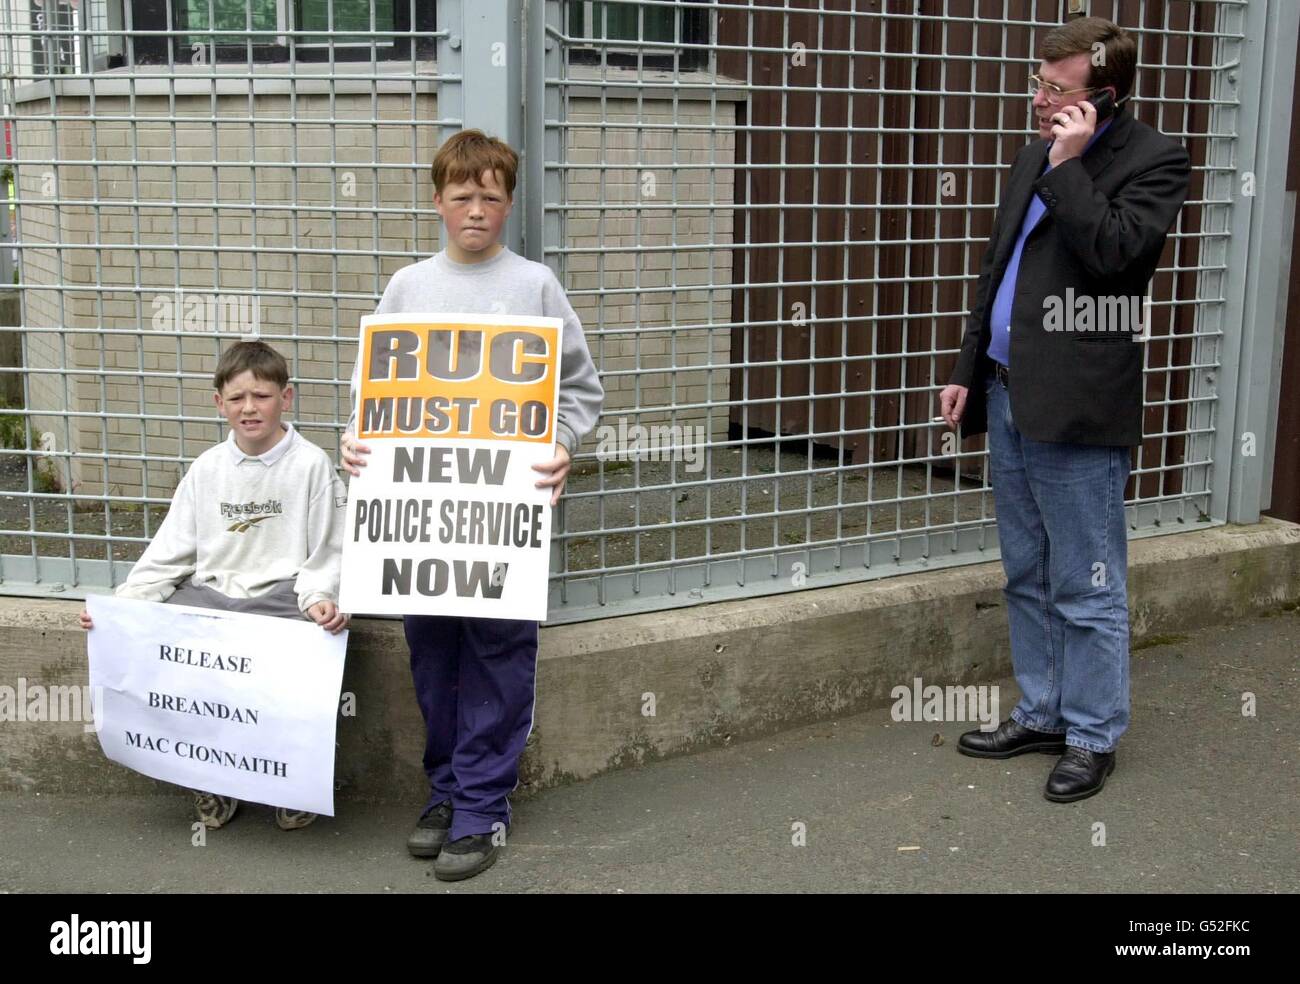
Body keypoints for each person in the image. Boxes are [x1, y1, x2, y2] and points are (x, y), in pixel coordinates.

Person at [341, 129, 604, 881]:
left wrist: (559, 441)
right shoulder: (407, 287)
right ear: (438, 203)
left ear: (510, 203)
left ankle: (484, 807)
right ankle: (447, 789)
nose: (477, 209)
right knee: (433, 654)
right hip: (420, 519)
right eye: (463, 196)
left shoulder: (536, 286)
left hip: (500, 520)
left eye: (491, 196)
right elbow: (373, 394)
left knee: (498, 656)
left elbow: (581, 389)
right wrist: (354, 441)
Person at [938, 17, 1190, 802]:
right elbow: (997, 266)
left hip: (1079, 405)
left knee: (1087, 580)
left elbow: (1116, 256)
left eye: (1057, 90)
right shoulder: (1030, 155)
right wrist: (966, 371)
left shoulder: (1154, 160)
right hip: (1010, 388)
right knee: (1027, 571)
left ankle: (1091, 734)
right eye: (1038, 83)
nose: (1040, 99)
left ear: (1102, 98)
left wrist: (1071, 166)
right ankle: (1044, 709)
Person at [80, 340, 350, 829]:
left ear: (286, 398)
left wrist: (320, 598)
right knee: (180, 659)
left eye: (263, 396)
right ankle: (212, 783)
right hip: (215, 595)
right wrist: (121, 608)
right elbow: (170, 552)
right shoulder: (206, 469)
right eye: (237, 398)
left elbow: (327, 551)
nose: (250, 408)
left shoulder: (311, 466)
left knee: (304, 662)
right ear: (219, 403)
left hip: (280, 597)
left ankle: (294, 783)